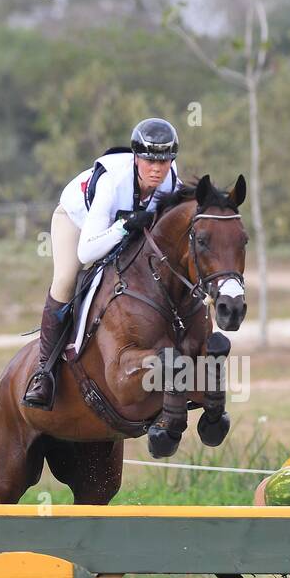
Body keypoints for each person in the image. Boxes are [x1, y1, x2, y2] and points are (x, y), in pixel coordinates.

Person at [21, 117, 184, 410]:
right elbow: (87, 252)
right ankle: (44, 373)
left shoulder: (171, 182)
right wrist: (123, 227)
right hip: (76, 220)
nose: (157, 169)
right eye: (149, 161)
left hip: (118, 227)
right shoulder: (113, 182)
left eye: (165, 160)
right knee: (67, 279)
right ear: (136, 158)